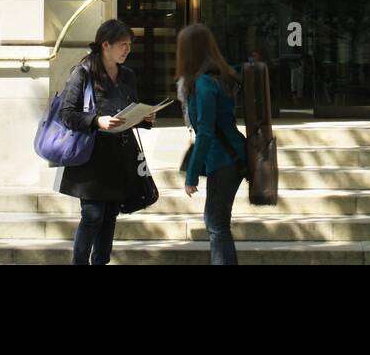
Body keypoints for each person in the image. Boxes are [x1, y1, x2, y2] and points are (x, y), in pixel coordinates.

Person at [58, 18, 155, 265]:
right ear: (105, 45)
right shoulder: (83, 73)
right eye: (122, 44)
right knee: (92, 215)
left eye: (129, 45)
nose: (127, 49)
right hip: (90, 157)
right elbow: (67, 114)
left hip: (119, 156)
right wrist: (96, 121)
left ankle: (101, 262)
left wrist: (144, 118)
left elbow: (128, 112)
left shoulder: (128, 76)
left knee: (110, 215)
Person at [176, 23, 247, 265]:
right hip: (231, 156)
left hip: (223, 159)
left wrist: (191, 176)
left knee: (216, 225)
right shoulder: (219, 76)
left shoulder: (205, 84)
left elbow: (205, 134)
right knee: (216, 223)